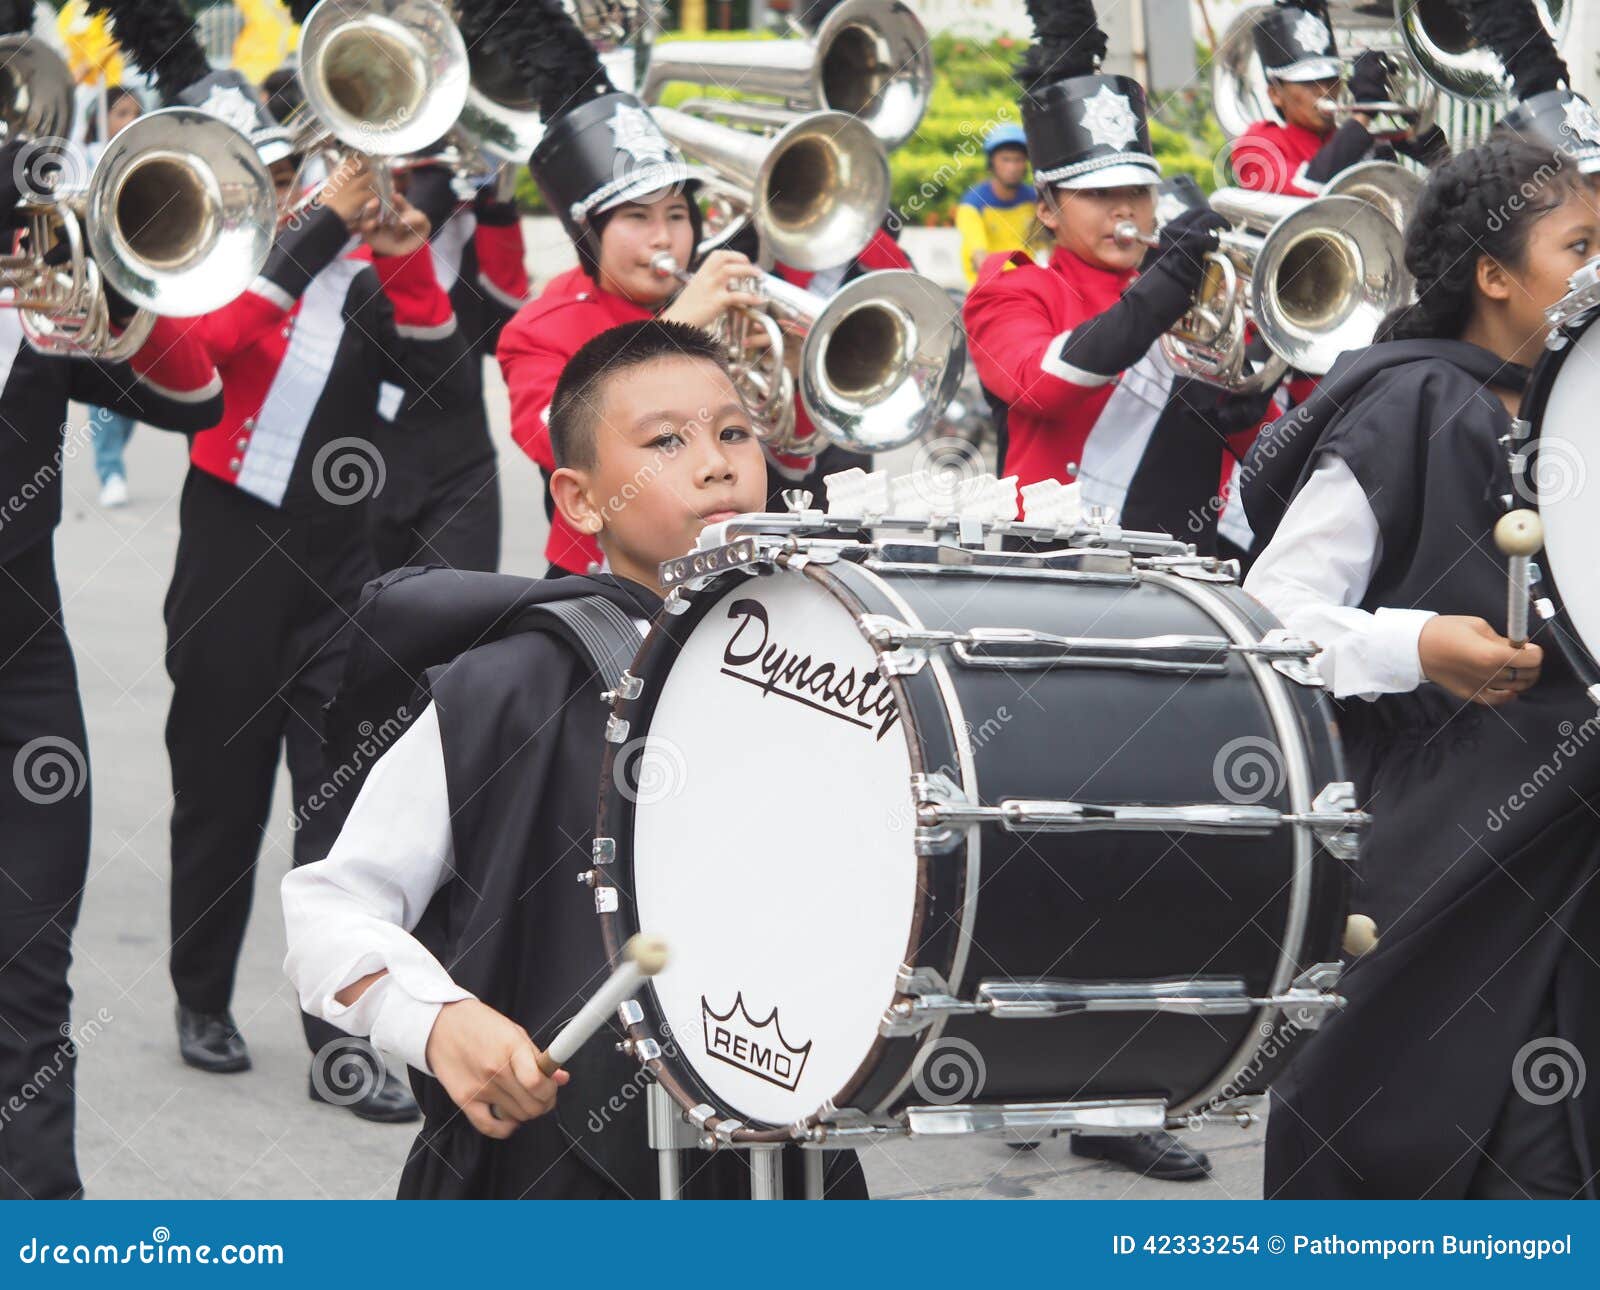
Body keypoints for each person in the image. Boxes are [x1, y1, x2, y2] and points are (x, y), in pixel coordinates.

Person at [282, 319, 869, 1199]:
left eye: (734, 432)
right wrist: (441, 1025)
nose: (716, 463)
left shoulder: (839, 676)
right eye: (666, 441)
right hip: (551, 1168)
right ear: (582, 501)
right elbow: (328, 913)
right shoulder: (504, 687)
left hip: (781, 1158)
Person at [82, 0, 470, 1126]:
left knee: (337, 813)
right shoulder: (242, 254)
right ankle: (200, 998)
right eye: (321, 156)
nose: (345, 172)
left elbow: (445, 391)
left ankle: (342, 1040)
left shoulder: (375, 264)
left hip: (345, 563)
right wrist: (308, 233)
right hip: (232, 548)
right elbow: (201, 357)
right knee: (218, 791)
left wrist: (398, 254)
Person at [1241, 136, 1600, 1198]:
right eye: (1579, 245)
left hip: (1573, 862)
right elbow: (1268, 617)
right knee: (1409, 1149)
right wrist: (1415, 647)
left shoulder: (1583, 411)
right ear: (1493, 277)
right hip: (1442, 858)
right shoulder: (1407, 405)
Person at [0, 93, 223, 1199]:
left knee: (29, 982)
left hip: (22, 681)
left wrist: (113, 274)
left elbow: (197, 393)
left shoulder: (36, 299)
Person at [964, 0, 1273, 566]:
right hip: (1050, 559)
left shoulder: (1201, 302)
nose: (1123, 211)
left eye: (1136, 192)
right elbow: (1045, 384)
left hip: (1181, 561)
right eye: (1098, 195)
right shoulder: (1012, 290)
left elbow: (1269, 457)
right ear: (1049, 209)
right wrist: (1161, 292)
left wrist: (1251, 405)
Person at [485, 0, 767, 578]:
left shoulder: (720, 306)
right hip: (603, 583)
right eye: (636, 218)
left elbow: (786, 448)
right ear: (590, 232)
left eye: (677, 214)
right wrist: (674, 331)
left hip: (734, 565)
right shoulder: (537, 330)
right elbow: (558, 444)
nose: (664, 238)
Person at [366, 165, 528, 574]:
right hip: (365, 446)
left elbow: (506, 326)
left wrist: (499, 211)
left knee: (459, 620)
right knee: (356, 622)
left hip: (461, 451)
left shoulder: (473, 214)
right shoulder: (347, 209)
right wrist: (423, 195)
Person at [1232, 0, 1446, 197]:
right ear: (1275, 94)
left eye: (1330, 79)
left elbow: (1446, 169)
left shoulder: (1362, 139)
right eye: (1308, 83)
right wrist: (1362, 116)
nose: (1324, 90)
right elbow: (1310, 188)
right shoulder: (1257, 145)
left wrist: (1418, 131)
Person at [81, 85, 145, 508]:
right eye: (119, 112)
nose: (127, 120)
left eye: (134, 113)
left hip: (138, 282)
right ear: (100, 119)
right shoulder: (80, 159)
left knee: (137, 379)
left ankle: (115, 452)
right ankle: (110, 470)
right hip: (97, 285)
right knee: (105, 378)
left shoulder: (146, 157)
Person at [955, 123, 1042, 285]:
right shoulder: (972, 205)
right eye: (1006, 159)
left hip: (1028, 284)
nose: (1012, 167)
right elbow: (979, 256)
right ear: (991, 163)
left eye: (1018, 160)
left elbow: (1046, 245)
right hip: (988, 287)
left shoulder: (1034, 200)